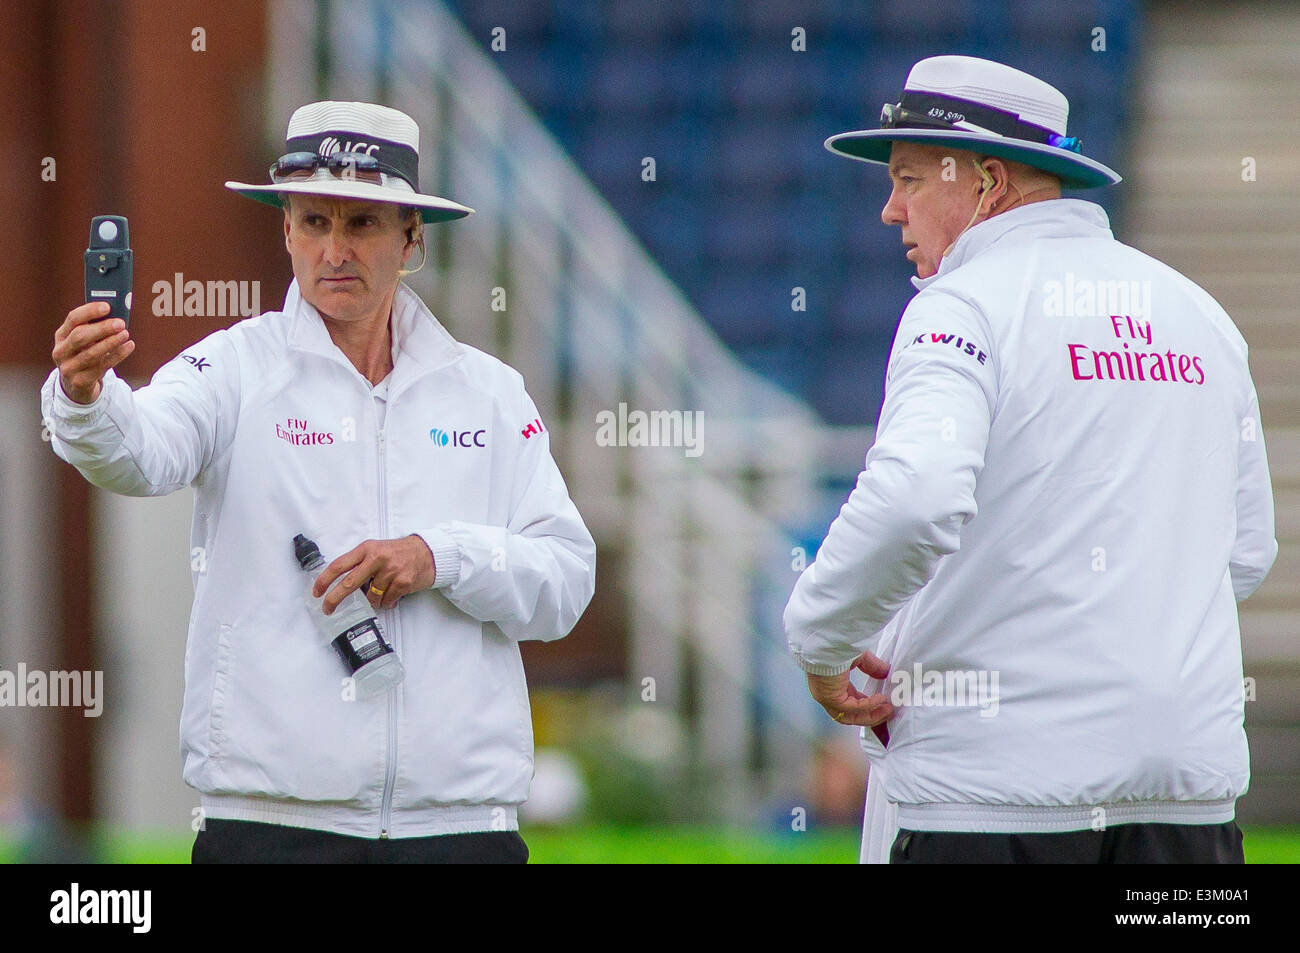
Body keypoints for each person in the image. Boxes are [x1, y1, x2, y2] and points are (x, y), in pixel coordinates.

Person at [42, 101, 596, 863]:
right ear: (287, 231)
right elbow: (139, 453)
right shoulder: (233, 366)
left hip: (460, 831)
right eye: (314, 222)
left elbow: (566, 579)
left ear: (411, 239)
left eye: (361, 223)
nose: (334, 250)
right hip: (269, 829)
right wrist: (83, 396)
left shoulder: (491, 393)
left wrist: (438, 556)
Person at [783, 56, 1277, 864]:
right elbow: (1245, 550)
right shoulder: (1199, 313)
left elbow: (916, 496)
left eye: (908, 177)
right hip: (1188, 805)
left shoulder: (963, 303)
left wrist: (820, 641)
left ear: (984, 180)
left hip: (987, 805)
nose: (889, 208)